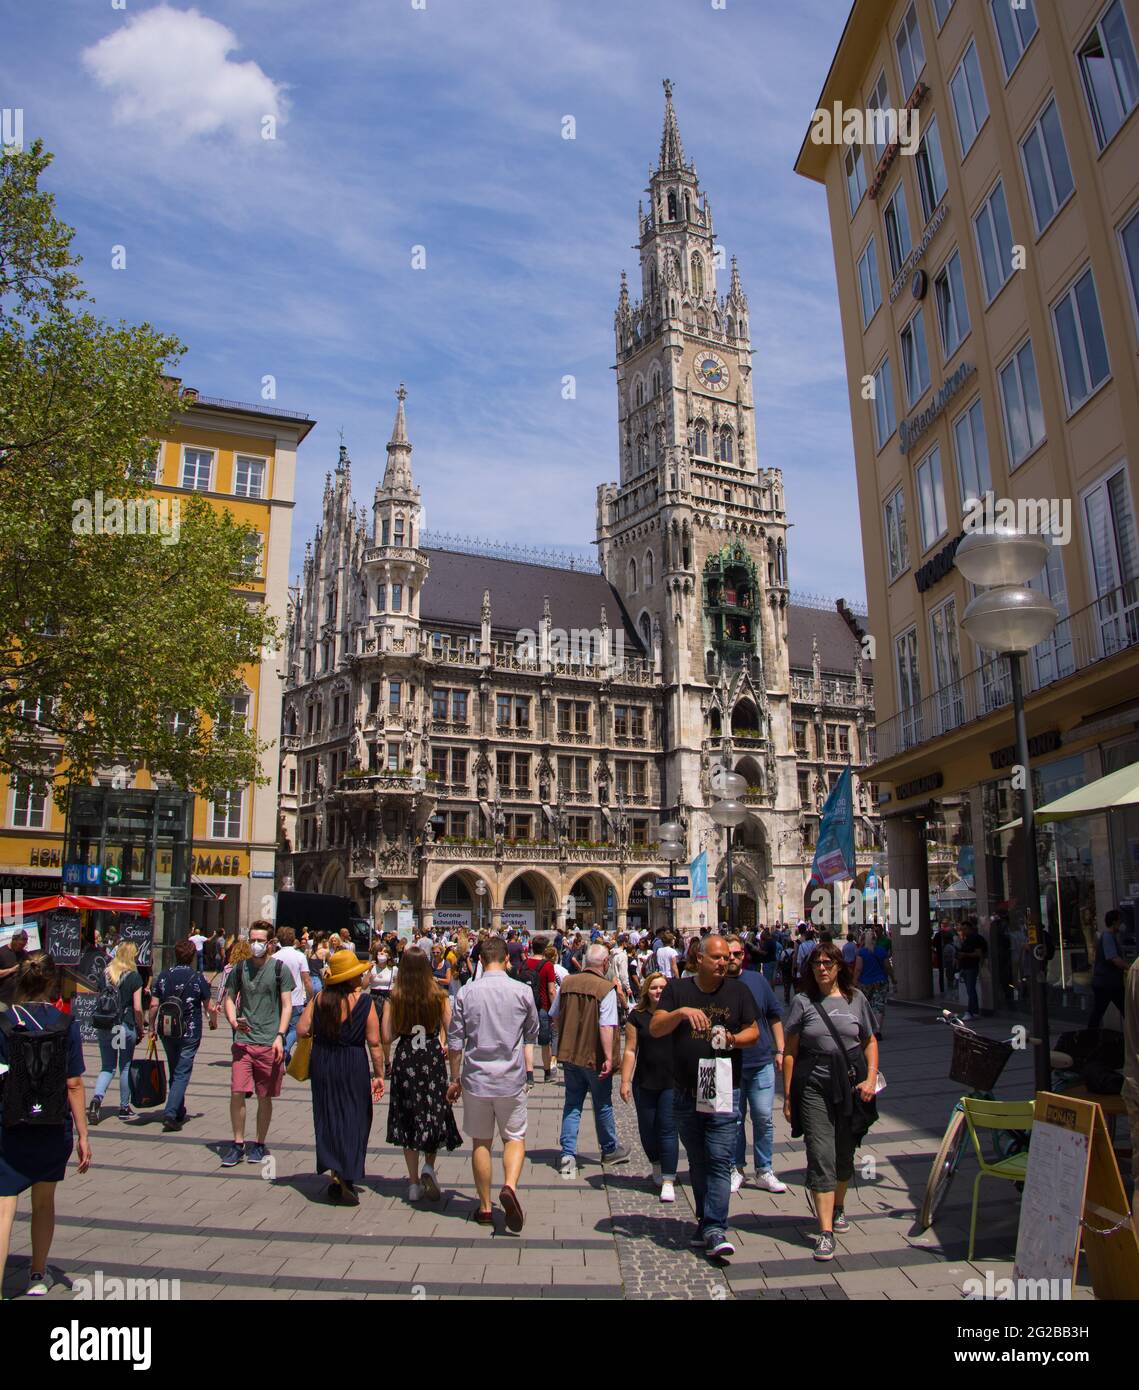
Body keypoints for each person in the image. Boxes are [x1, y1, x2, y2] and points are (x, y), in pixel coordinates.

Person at [649, 935, 758, 1259]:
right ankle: (704, 1223)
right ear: (699, 958)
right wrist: (681, 1013)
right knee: (698, 1161)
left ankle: (714, 1227)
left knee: (720, 1159)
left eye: (727, 957)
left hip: (723, 1088)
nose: (725, 962)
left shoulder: (739, 991)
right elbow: (655, 1028)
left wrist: (734, 1039)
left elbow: (755, 1031)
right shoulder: (677, 990)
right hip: (685, 1089)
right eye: (718, 957)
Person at [0, 954, 92, 1297]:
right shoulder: (65, 1024)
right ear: (51, 985)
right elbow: (74, 1084)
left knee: (4, 1208)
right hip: (52, 1126)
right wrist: (83, 1135)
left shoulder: (4, 1023)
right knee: (44, 1203)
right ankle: (38, 1275)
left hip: (9, 1126)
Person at [782, 940, 879, 1262]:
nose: (822, 968)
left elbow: (869, 1040)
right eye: (816, 963)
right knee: (820, 1152)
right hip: (813, 1084)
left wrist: (871, 1077)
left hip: (850, 1084)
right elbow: (790, 1052)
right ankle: (824, 1231)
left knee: (844, 1153)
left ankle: (838, 1207)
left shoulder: (856, 999)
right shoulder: (802, 1002)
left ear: (839, 966)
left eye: (828, 962)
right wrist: (787, 1097)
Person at [446, 936, 538, 1230]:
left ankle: (485, 1208)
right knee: (513, 1138)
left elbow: (455, 1040)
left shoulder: (466, 993)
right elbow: (532, 1029)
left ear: (481, 961)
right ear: (507, 959)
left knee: (481, 1142)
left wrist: (454, 1078)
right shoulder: (522, 991)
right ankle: (509, 1185)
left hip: (476, 1079)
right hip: (510, 1078)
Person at [297, 949, 384, 1204]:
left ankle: (334, 1170)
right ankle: (346, 1174)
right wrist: (379, 1074)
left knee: (328, 1114)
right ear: (350, 978)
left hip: (324, 1061)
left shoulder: (320, 998)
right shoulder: (365, 1002)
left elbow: (302, 1029)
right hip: (353, 1061)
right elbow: (375, 1042)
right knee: (355, 1115)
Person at [383, 946, 462, 1202]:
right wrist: (455, 1076)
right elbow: (452, 1034)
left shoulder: (395, 996)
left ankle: (414, 1183)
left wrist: (401, 1024)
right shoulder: (439, 996)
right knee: (433, 1112)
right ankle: (429, 1165)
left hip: (406, 1058)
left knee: (408, 1115)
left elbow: (387, 1036)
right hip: (430, 1056)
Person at [551, 943, 629, 1176]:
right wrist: (608, 1057)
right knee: (602, 1102)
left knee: (572, 1103)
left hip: (570, 1054)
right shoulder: (605, 988)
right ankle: (610, 1149)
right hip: (594, 1056)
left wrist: (565, 1036)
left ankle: (567, 1154)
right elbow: (607, 1026)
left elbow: (554, 1014)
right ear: (605, 964)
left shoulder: (567, 983)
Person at [221, 922, 292, 1168]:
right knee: (237, 1091)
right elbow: (229, 997)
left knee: (264, 1096)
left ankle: (259, 1143)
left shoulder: (280, 969)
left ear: (271, 943)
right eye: (252, 940)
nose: (255, 945)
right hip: (243, 1041)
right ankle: (237, 1143)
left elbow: (287, 1005)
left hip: (268, 1041)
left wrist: (280, 1035)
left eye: (260, 940)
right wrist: (232, 1019)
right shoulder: (240, 969)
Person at [725, 936, 787, 1195]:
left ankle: (764, 1170)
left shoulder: (757, 980)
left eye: (737, 954)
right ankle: (735, 1168)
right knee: (733, 1121)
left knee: (763, 1117)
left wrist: (781, 1049)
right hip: (729, 1064)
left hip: (761, 1060)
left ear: (744, 955)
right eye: (727, 954)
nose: (732, 959)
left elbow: (773, 1015)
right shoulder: (715, 984)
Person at [619, 972, 678, 1202]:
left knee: (668, 1129)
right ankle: (656, 1162)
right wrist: (625, 1080)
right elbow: (631, 1050)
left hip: (672, 1081)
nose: (658, 991)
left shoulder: (675, 1015)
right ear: (646, 990)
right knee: (647, 1130)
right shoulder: (637, 1016)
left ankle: (669, 1179)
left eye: (663, 987)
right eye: (654, 987)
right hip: (645, 1080)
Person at [148, 938, 212, 1132]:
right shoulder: (197, 977)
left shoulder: (164, 975)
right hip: (190, 1030)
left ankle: (179, 1109)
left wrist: (151, 1027)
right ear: (193, 956)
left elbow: (153, 1005)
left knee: (175, 1067)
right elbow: (208, 1005)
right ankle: (170, 1113)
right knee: (182, 1072)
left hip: (167, 1030)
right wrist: (213, 1021)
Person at [88, 941, 145, 1124]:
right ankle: (124, 1107)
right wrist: (140, 1027)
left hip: (105, 1025)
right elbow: (137, 1008)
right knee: (125, 1066)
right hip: (122, 1026)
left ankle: (97, 1099)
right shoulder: (134, 977)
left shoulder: (106, 973)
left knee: (107, 1067)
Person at [274, 927, 313, 1063]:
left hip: (278, 999)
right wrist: (310, 996)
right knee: (295, 1029)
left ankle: (281, 1050)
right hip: (296, 998)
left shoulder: (274, 957)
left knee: (281, 1027)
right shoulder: (299, 956)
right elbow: (306, 979)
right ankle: (285, 1049)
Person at [1090, 909, 1128, 1030]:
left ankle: (1090, 1036)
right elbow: (1114, 959)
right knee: (1099, 1012)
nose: (1121, 924)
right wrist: (1131, 968)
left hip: (1110, 983)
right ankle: (1089, 1037)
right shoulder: (1107, 937)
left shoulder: (1110, 937)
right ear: (1114, 922)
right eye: (1120, 921)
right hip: (1107, 984)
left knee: (1125, 1010)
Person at [852, 928, 891, 1039]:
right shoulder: (881, 951)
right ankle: (877, 1031)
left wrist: (854, 981)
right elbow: (887, 966)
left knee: (865, 1006)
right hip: (880, 981)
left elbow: (858, 969)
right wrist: (893, 978)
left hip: (865, 982)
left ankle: (866, 1030)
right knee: (878, 1006)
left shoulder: (862, 952)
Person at [955, 918, 988, 1020]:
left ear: (970, 928)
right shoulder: (967, 939)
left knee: (971, 990)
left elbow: (979, 954)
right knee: (970, 990)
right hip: (966, 967)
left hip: (971, 967)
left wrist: (965, 954)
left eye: (965, 929)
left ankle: (972, 1011)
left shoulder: (975, 938)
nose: (963, 931)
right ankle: (973, 1011)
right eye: (962, 929)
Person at [0, 929, 30, 1012]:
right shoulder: (2, 952)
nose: (21, 947)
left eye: (23, 945)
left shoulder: (24, 954)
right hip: (2, 1000)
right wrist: (11, 970)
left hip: (18, 1000)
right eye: (20, 944)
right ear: (13, 940)